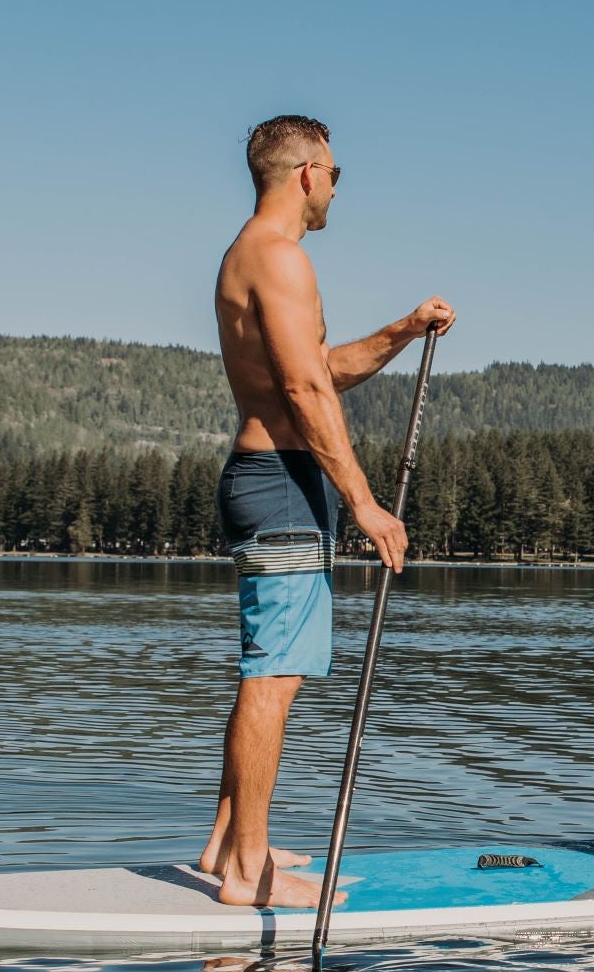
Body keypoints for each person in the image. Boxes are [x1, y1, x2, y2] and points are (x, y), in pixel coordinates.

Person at [195, 114, 454, 908]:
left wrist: (403, 331)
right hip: (280, 482)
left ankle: (225, 845)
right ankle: (247, 871)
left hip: (272, 478)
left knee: (267, 672)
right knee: (273, 676)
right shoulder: (279, 258)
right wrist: (366, 503)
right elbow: (306, 393)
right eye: (336, 173)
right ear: (307, 172)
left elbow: (316, 368)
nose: (338, 186)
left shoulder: (256, 257)